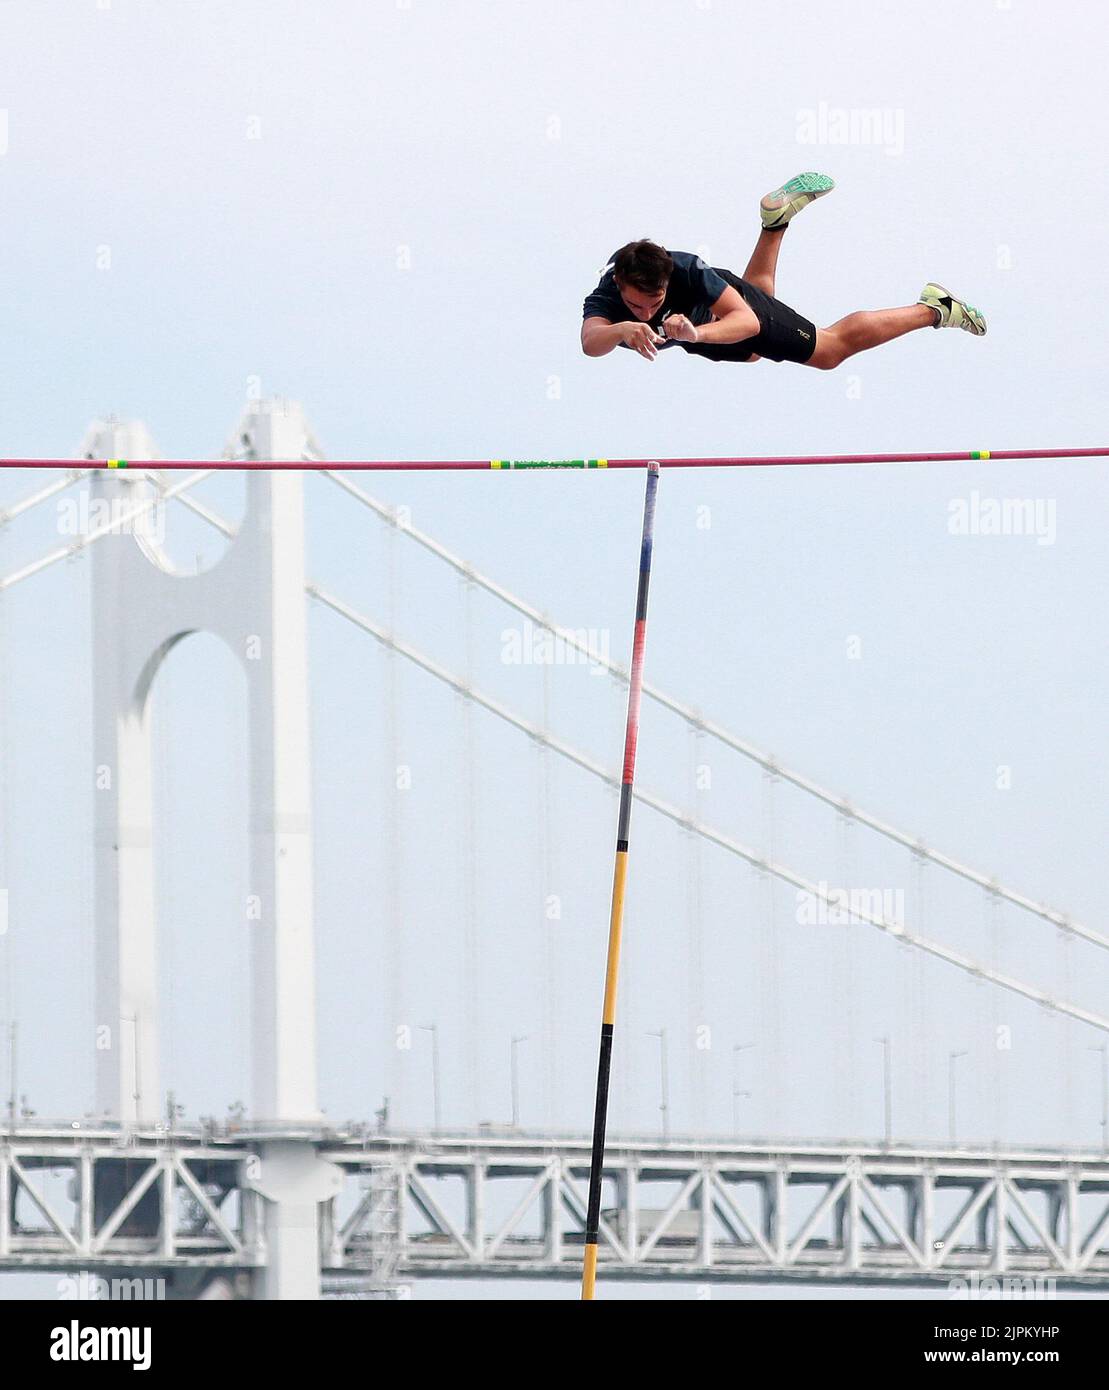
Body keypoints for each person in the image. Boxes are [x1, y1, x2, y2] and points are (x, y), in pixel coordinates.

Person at [580, 173, 986, 370]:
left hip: (715, 316)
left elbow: (747, 320)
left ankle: (934, 308)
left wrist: (695, 334)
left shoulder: (686, 270)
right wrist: (623, 328)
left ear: (667, 282)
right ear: (619, 285)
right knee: (754, 350)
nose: (647, 313)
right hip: (707, 330)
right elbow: (590, 343)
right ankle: (774, 223)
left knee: (829, 351)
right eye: (637, 305)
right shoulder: (608, 295)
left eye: (655, 304)